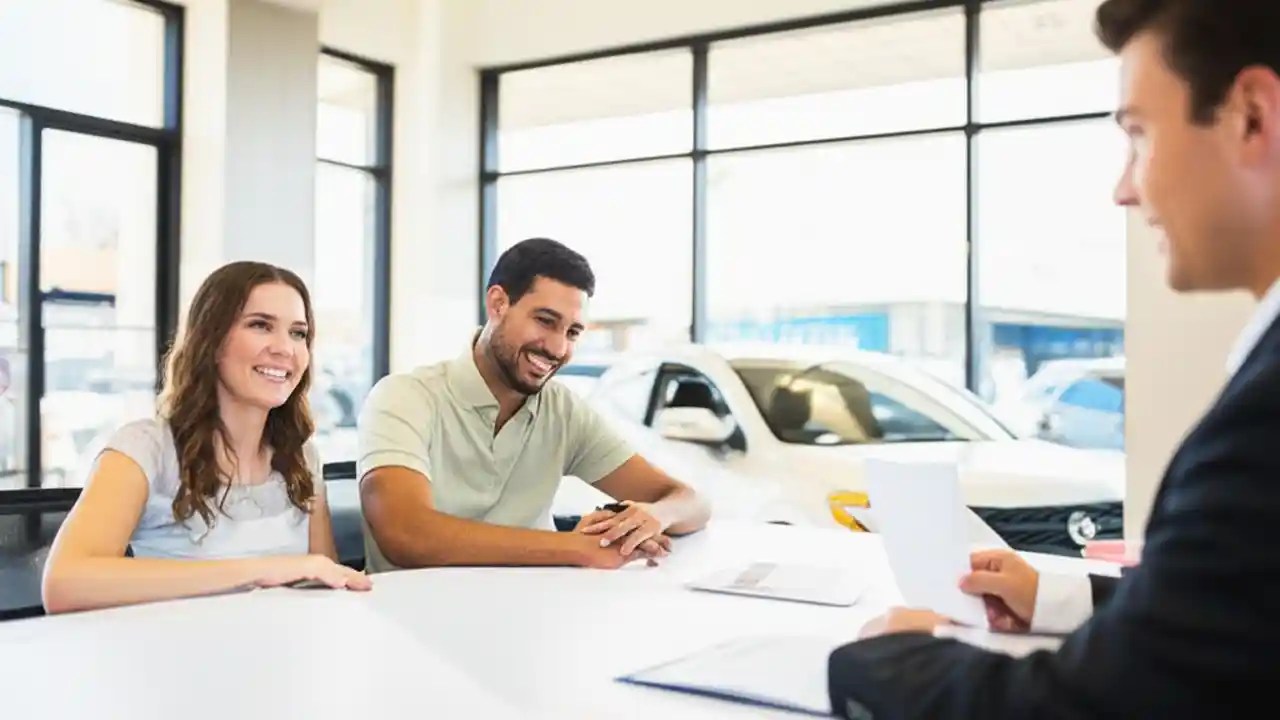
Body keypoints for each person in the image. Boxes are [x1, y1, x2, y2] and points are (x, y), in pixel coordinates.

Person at [827, 1, 1280, 717]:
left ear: (1252, 115)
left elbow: (1101, 707)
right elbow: (1241, 624)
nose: (1124, 188)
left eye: (1139, 135)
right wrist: (1057, 596)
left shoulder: (1265, 416)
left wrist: (891, 654)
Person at [358, 237, 710, 572]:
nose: (557, 348)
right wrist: (578, 548)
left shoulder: (563, 411)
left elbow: (691, 502)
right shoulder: (405, 397)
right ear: (498, 304)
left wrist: (651, 517)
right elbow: (406, 533)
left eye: (572, 332)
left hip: (531, 615)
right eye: (545, 321)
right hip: (410, 620)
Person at [42, 261, 371, 614]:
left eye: (298, 333)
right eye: (260, 325)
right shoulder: (144, 448)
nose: (285, 348)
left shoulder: (302, 456)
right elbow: (63, 584)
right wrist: (263, 572)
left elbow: (324, 587)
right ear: (212, 341)